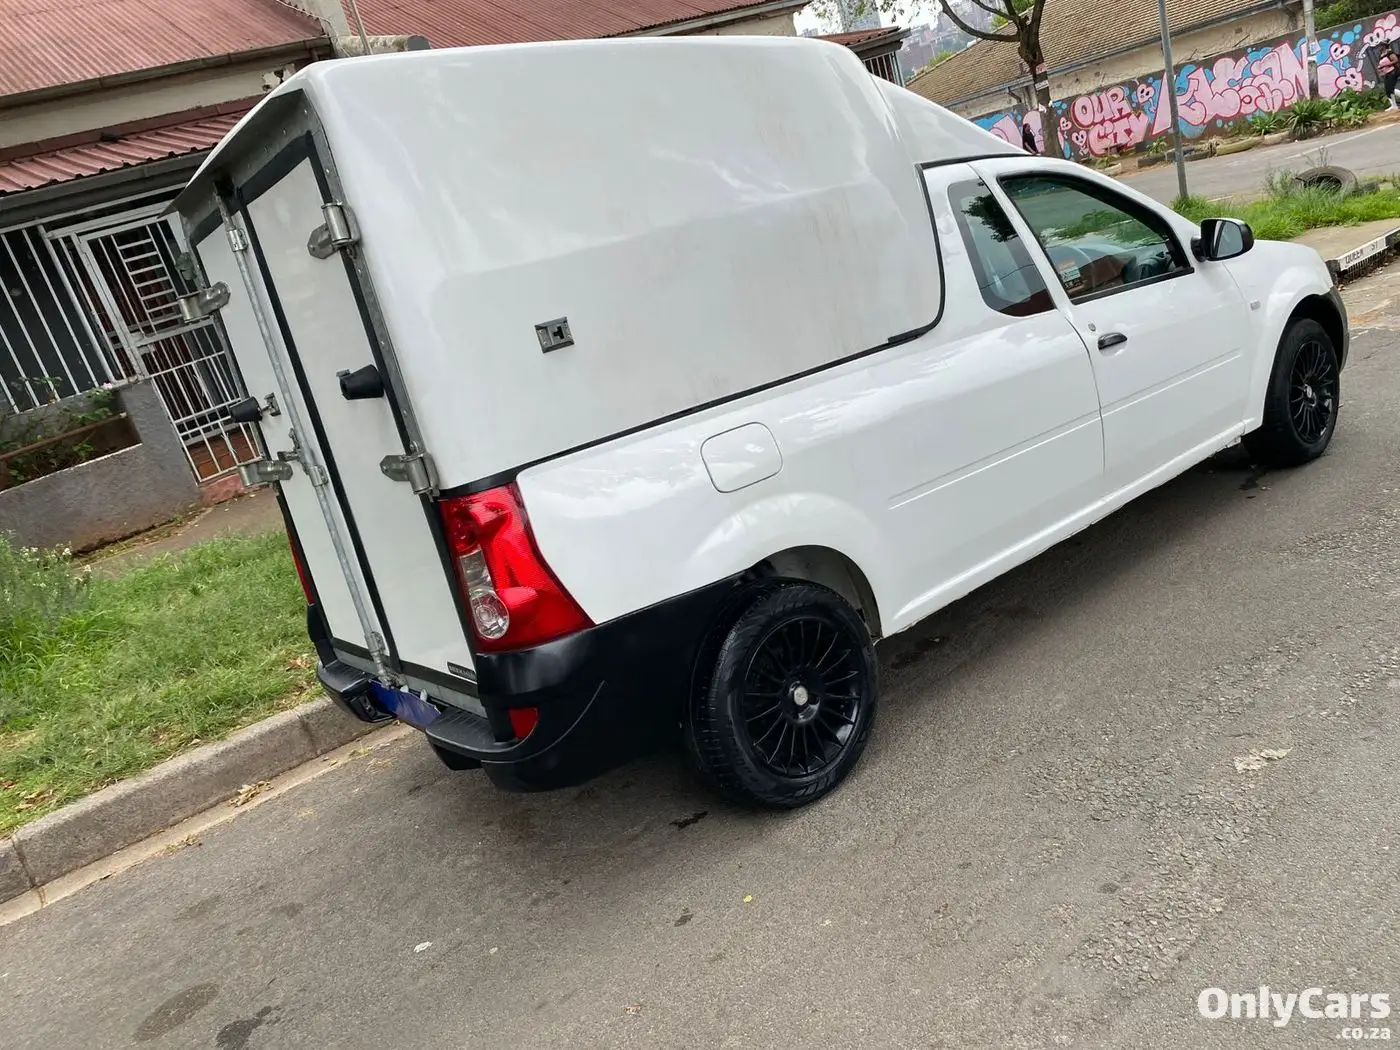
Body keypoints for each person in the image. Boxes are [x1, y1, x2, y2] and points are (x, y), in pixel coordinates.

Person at [1377, 42, 1400, 109]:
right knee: (1388, 90)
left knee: (1390, 89)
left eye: (1380, 45)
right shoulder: (1381, 55)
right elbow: (1381, 65)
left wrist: (1385, 65)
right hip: (1386, 73)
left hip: (1392, 72)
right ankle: (1394, 105)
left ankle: (1394, 105)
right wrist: (1380, 70)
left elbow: (1395, 60)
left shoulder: (1389, 52)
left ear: (1384, 46)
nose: (1379, 47)